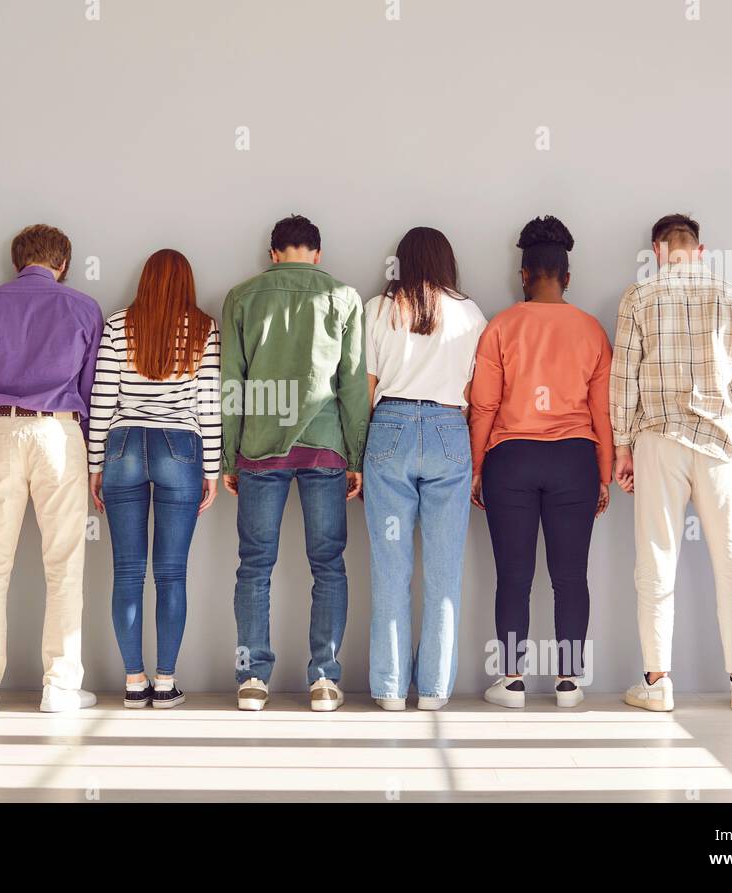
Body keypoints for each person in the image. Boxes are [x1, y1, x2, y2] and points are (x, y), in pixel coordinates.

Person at [611, 213, 732, 713]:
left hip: (658, 439)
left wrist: (621, 447)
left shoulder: (639, 298)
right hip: (720, 443)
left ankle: (658, 684)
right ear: (699, 251)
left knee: (656, 562)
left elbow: (623, 380)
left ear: (658, 250)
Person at [221, 214, 368, 712]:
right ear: (318, 254)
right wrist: (357, 456)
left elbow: (231, 384)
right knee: (328, 565)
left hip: (260, 449)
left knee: (254, 566)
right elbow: (352, 385)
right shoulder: (344, 298)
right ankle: (324, 680)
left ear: (273, 252)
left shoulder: (242, 297)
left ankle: (252, 680)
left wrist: (229, 457)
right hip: (326, 445)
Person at [0, 224, 104, 714]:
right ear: (62, 263)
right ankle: (60, 687)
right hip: (59, 433)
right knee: (64, 565)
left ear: (18, 260)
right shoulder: (84, 308)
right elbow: (89, 389)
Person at [469, 216, 613, 709]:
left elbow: (484, 406)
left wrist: (474, 467)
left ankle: (511, 681)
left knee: (513, 574)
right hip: (575, 459)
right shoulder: (592, 330)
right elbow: (602, 413)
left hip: (510, 459)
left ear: (523, 274)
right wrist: (605, 472)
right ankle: (568, 682)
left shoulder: (501, 326)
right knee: (571, 575)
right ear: (567, 277)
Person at [87, 249, 221, 709]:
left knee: (126, 571)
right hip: (179, 447)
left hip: (122, 443)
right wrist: (212, 469)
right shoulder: (204, 328)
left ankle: (132, 681)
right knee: (171, 573)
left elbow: (102, 394)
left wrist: (94, 465)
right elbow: (208, 403)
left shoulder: (118, 324)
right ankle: (165, 683)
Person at [363, 227, 487, 711]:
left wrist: (363, 453)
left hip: (389, 426)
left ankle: (390, 689)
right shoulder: (470, 313)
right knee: (444, 572)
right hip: (447, 430)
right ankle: (434, 690)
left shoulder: (378, 308)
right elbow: (477, 396)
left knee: (389, 569)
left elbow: (366, 390)